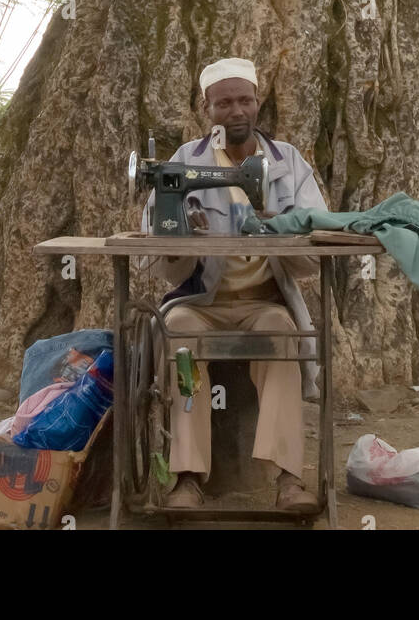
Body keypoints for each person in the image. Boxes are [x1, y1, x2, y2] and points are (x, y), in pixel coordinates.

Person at [141, 57, 326, 512]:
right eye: (224, 103)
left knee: (284, 337)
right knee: (179, 336)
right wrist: (181, 237)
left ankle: (287, 480)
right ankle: (186, 478)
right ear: (207, 108)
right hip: (200, 299)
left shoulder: (288, 161)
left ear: (257, 101)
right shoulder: (185, 161)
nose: (236, 111)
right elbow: (155, 252)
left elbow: (315, 245)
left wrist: (278, 227)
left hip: (264, 301)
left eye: (245, 99)